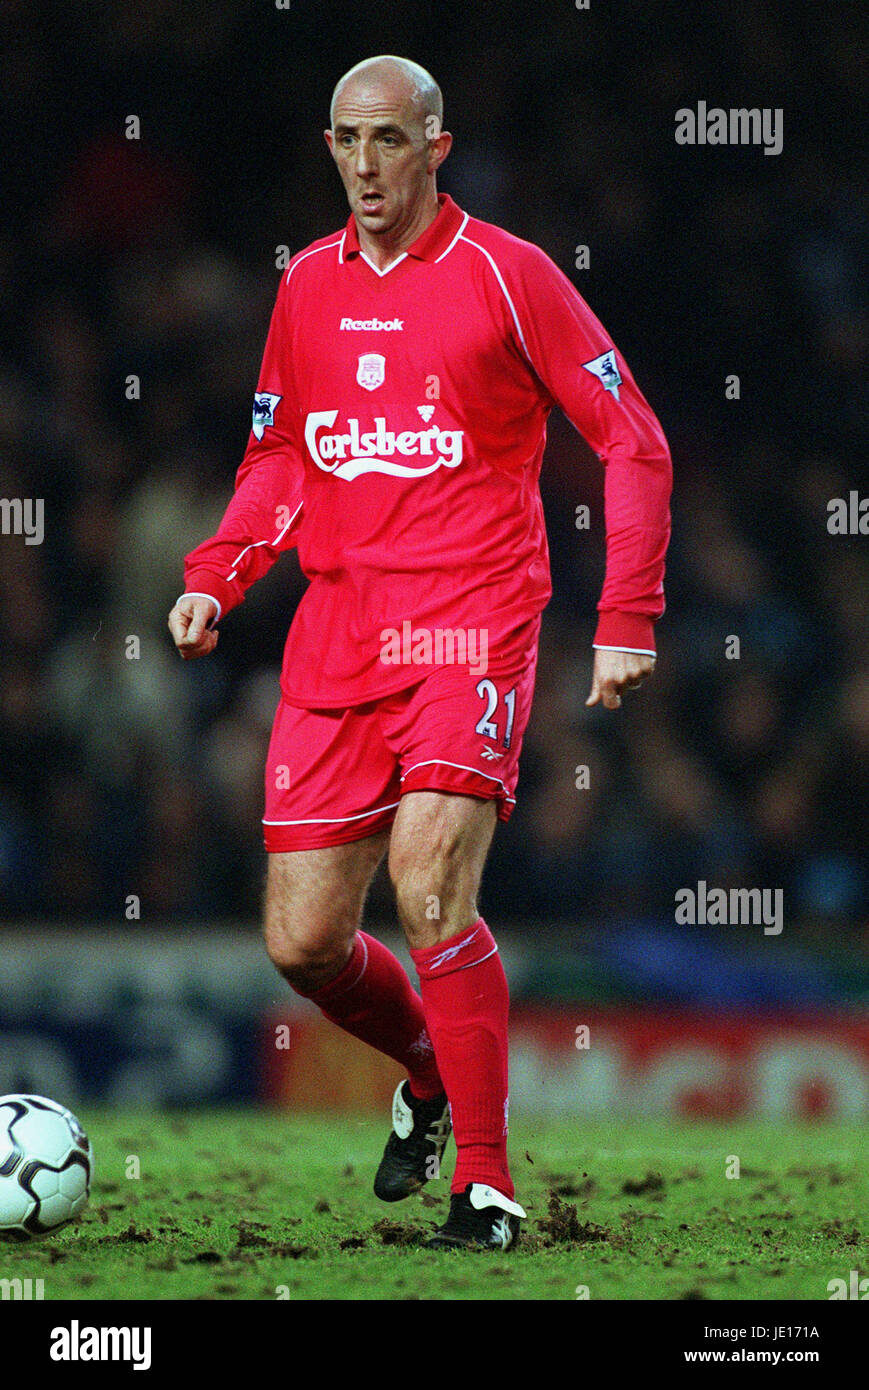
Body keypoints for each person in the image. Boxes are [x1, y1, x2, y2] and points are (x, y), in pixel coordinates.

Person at [168, 54, 672, 1250]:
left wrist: (625, 614)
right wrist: (215, 575)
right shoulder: (304, 289)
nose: (362, 165)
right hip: (337, 630)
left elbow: (631, 439)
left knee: (431, 884)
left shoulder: (512, 276)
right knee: (302, 941)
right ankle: (432, 1072)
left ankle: (484, 1190)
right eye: (344, 140)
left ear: (436, 146)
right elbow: (282, 458)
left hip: (468, 623)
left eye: (387, 139)